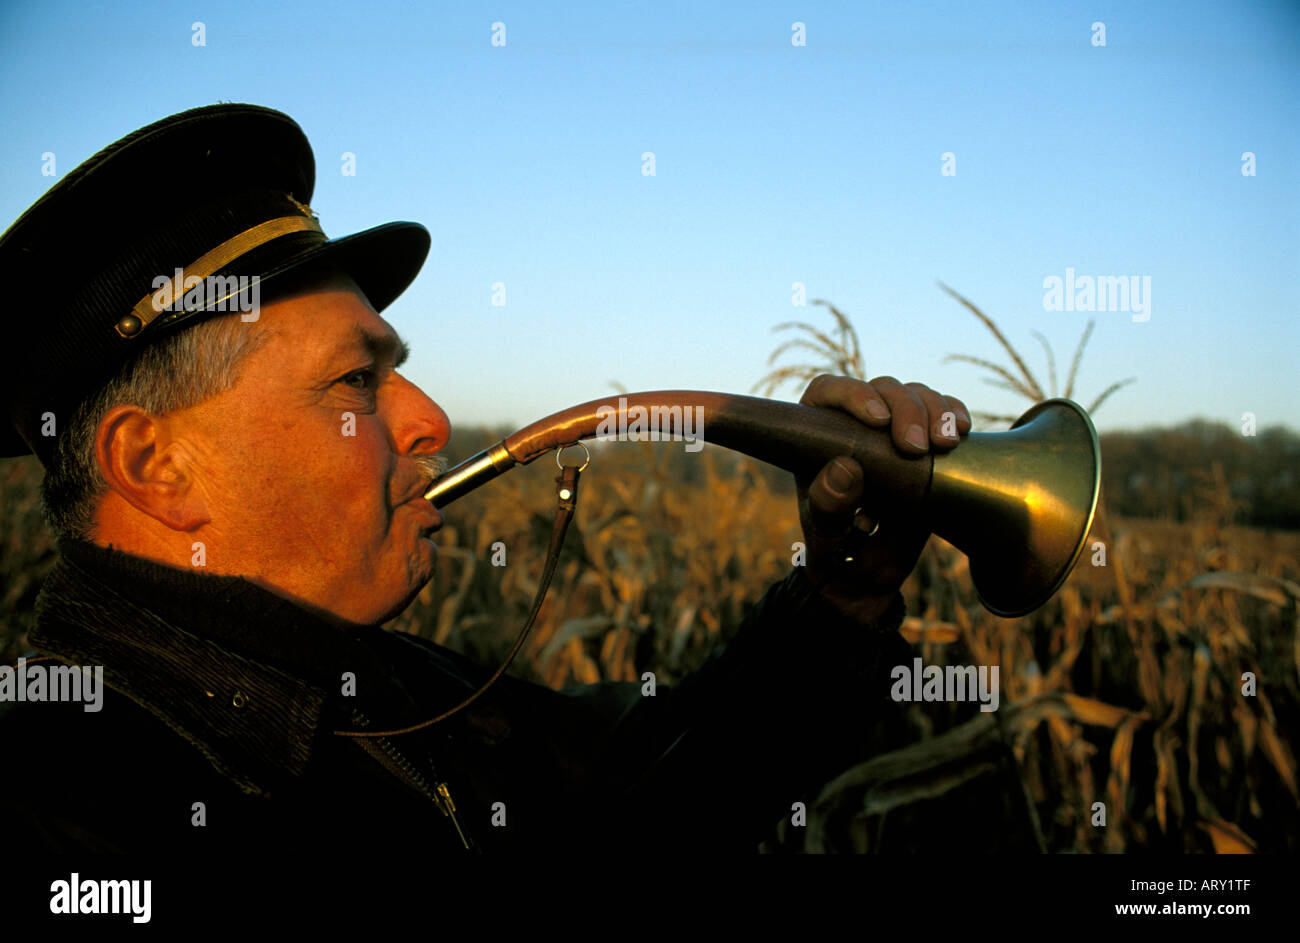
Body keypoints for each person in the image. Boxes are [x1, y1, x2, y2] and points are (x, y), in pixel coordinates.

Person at [0, 103, 971, 854]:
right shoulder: (61, 809)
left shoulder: (400, 680)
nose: (427, 421)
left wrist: (844, 592)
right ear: (156, 465)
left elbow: (653, 804)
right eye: (356, 380)